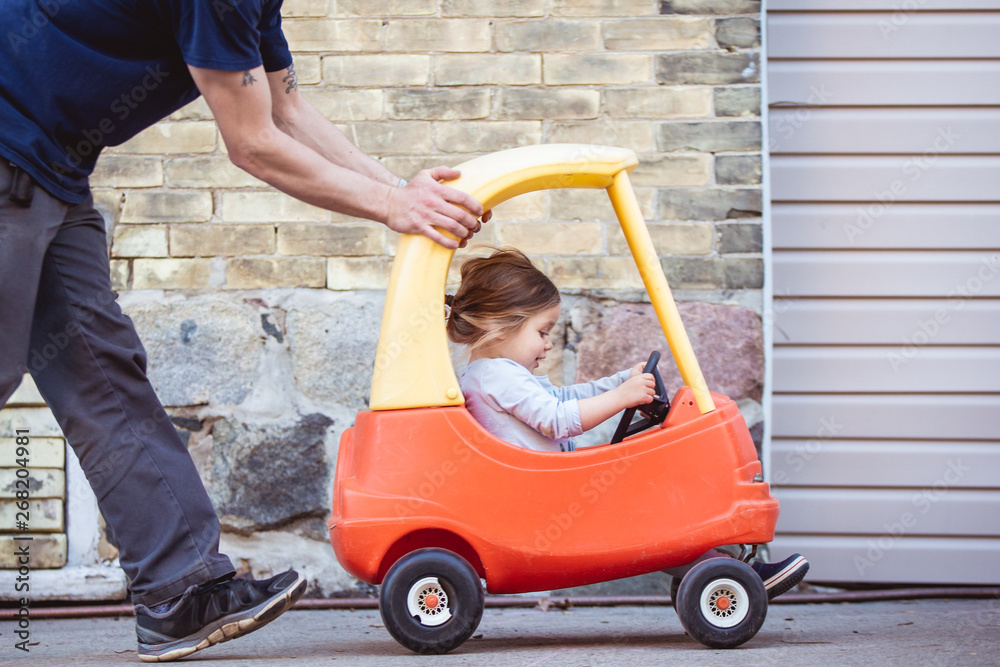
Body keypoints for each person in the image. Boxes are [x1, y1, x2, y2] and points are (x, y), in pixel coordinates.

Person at [0, 0, 486, 662]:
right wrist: (397, 206)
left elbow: (285, 110)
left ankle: (180, 593)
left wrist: (402, 194)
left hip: (48, 165)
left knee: (100, 372)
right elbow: (252, 143)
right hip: (10, 153)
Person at [446, 248, 809, 598]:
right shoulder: (496, 375)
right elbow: (556, 420)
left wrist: (620, 382)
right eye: (543, 332)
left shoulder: (497, 373)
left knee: (642, 510)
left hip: (547, 491)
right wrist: (622, 397)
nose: (549, 345)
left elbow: (561, 400)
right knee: (643, 510)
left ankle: (717, 569)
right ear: (500, 326)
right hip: (543, 502)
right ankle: (726, 574)